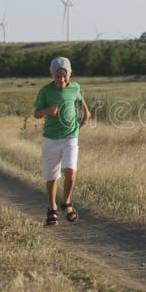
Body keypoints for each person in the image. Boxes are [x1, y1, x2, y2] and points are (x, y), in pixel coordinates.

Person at [33, 57, 90, 226]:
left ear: (70, 74)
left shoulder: (75, 87)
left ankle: (66, 202)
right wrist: (47, 111)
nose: (62, 80)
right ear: (52, 74)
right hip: (50, 138)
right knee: (51, 178)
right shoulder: (45, 91)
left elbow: (81, 102)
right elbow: (36, 114)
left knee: (71, 172)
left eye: (65, 76)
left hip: (70, 137)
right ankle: (52, 209)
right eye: (58, 76)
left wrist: (85, 117)